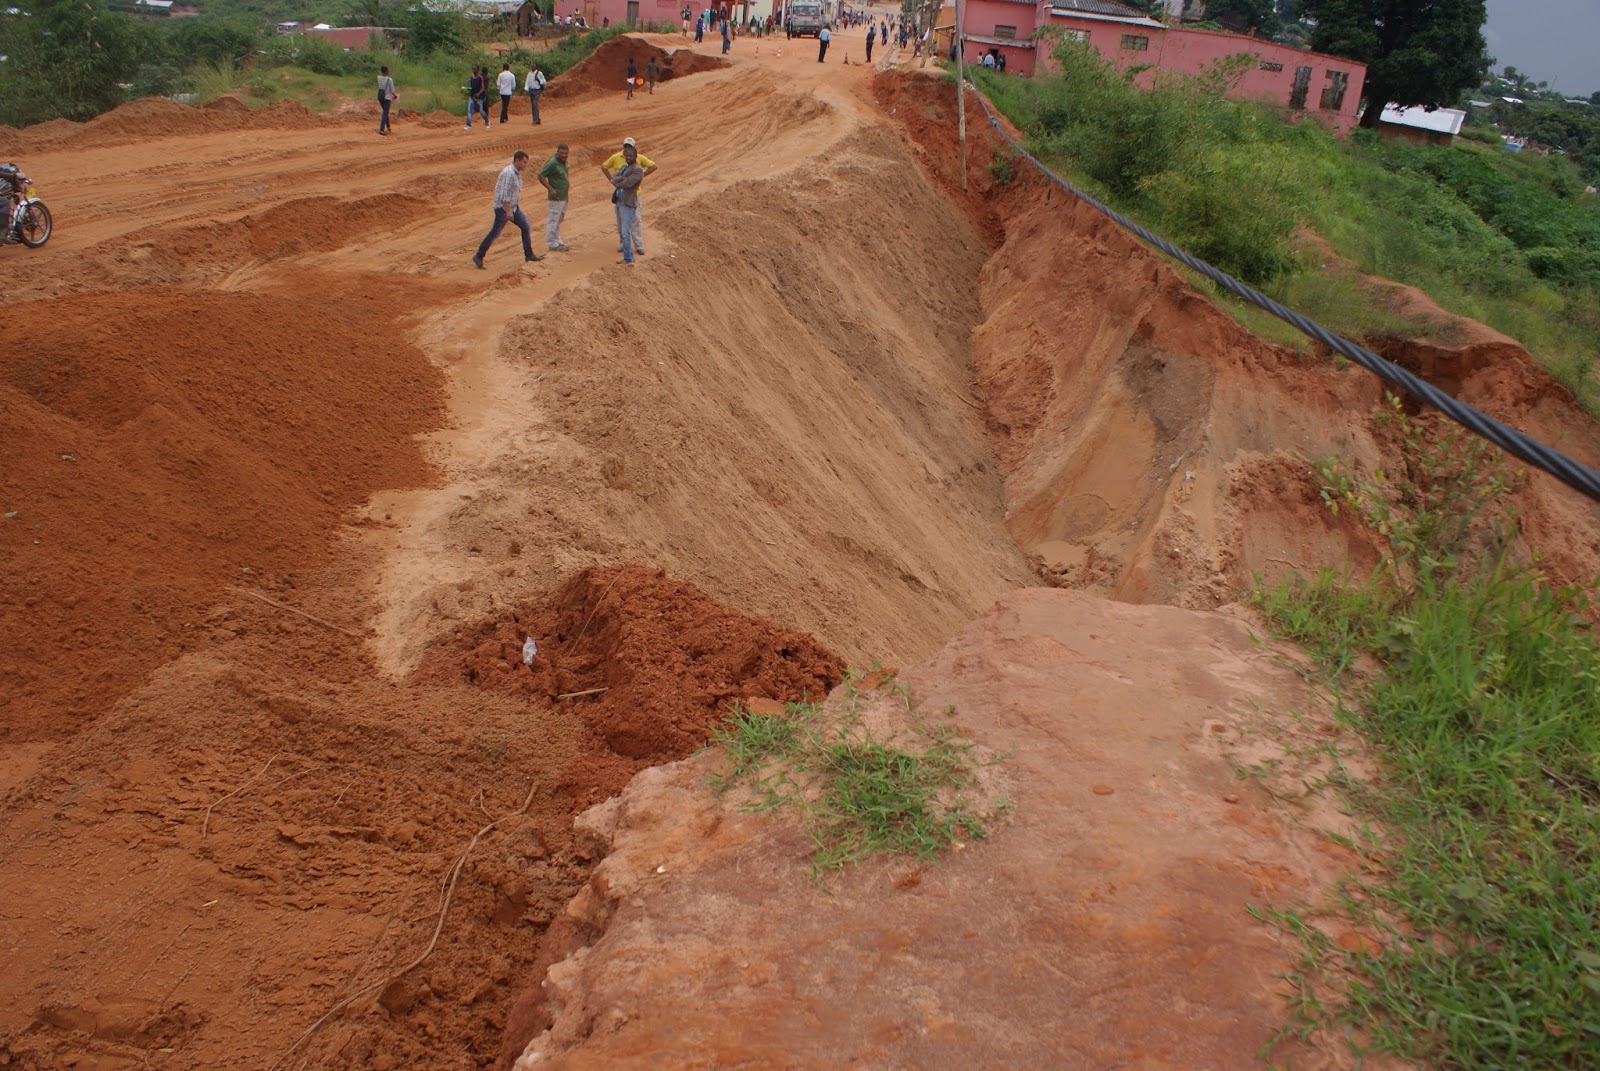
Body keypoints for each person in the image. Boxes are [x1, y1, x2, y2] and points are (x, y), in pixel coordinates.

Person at [472, 151, 544, 269]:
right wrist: (508, 211)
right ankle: (478, 256)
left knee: (525, 227)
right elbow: (504, 195)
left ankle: (529, 255)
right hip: (504, 209)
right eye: (524, 162)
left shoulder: (516, 173)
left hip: (513, 207)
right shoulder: (509, 173)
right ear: (517, 160)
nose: (526, 165)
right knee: (495, 233)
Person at [599, 136, 656, 255]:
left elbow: (653, 166)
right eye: (626, 146)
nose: (627, 149)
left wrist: (641, 175)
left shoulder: (638, 158)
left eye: (630, 147)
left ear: (634, 149)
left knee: (636, 219)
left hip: (634, 194)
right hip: (620, 195)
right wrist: (612, 180)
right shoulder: (616, 157)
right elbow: (604, 167)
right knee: (621, 221)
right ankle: (623, 243)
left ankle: (638, 245)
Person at [609, 144, 645, 265]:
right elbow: (614, 178)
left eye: (631, 155)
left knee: (625, 231)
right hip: (620, 201)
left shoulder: (638, 169)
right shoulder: (625, 167)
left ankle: (628, 259)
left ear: (635, 156)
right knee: (621, 230)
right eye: (627, 155)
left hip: (628, 203)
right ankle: (627, 257)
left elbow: (628, 184)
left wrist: (620, 180)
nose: (628, 157)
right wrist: (621, 180)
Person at [537, 143, 571, 251]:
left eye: (566, 153)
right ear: (557, 152)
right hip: (556, 198)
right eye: (561, 153)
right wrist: (551, 189)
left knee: (559, 219)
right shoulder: (552, 163)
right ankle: (552, 243)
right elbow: (541, 175)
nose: (564, 155)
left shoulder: (564, 162)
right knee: (553, 219)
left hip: (563, 196)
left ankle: (557, 240)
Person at [377, 65, 397, 135]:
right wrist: (395, 96)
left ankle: (388, 126)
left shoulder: (378, 78)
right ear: (386, 71)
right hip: (387, 98)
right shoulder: (389, 79)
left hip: (380, 97)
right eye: (388, 70)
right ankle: (381, 129)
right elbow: (392, 90)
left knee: (385, 112)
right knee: (385, 113)